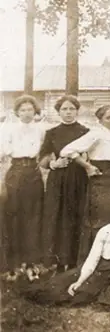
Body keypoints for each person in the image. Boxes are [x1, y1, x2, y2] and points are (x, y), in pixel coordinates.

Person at [24, 197, 110, 306]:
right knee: (66, 279)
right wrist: (80, 280)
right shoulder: (106, 231)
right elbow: (93, 258)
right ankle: (36, 289)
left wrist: (80, 284)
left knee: (80, 293)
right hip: (100, 264)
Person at [60, 104, 110, 264]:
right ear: (100, 120)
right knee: (100, 218)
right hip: (101, 178)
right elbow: (67, 150)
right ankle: (93, 260)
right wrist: (87, 166)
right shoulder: (96, 133)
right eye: (108, 117)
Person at [39, 95, 90, 269]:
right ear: (59, 112)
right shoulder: (51, 133)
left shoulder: (85, 131)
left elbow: (90, 155)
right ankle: (59, 261)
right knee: (58, 216)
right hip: (58, 179)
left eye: (71, 109)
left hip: (78, 178)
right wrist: (54, 163)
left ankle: (75, 260)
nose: (68, 112)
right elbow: (43, 159)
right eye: (64, 109)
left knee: (76, 215)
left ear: (77, 111)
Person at [0, 95, 46, 277]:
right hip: (16, 172)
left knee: (33, 216)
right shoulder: (9, 129)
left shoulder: (41, 130)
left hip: (33, 173)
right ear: (17, 112)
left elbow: (43, 151)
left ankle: (31, 262)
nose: (27, 113)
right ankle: (14, 262)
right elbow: (5, 151)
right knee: (14, 215)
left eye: (30, 109)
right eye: (23, 110)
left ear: (35, 112)